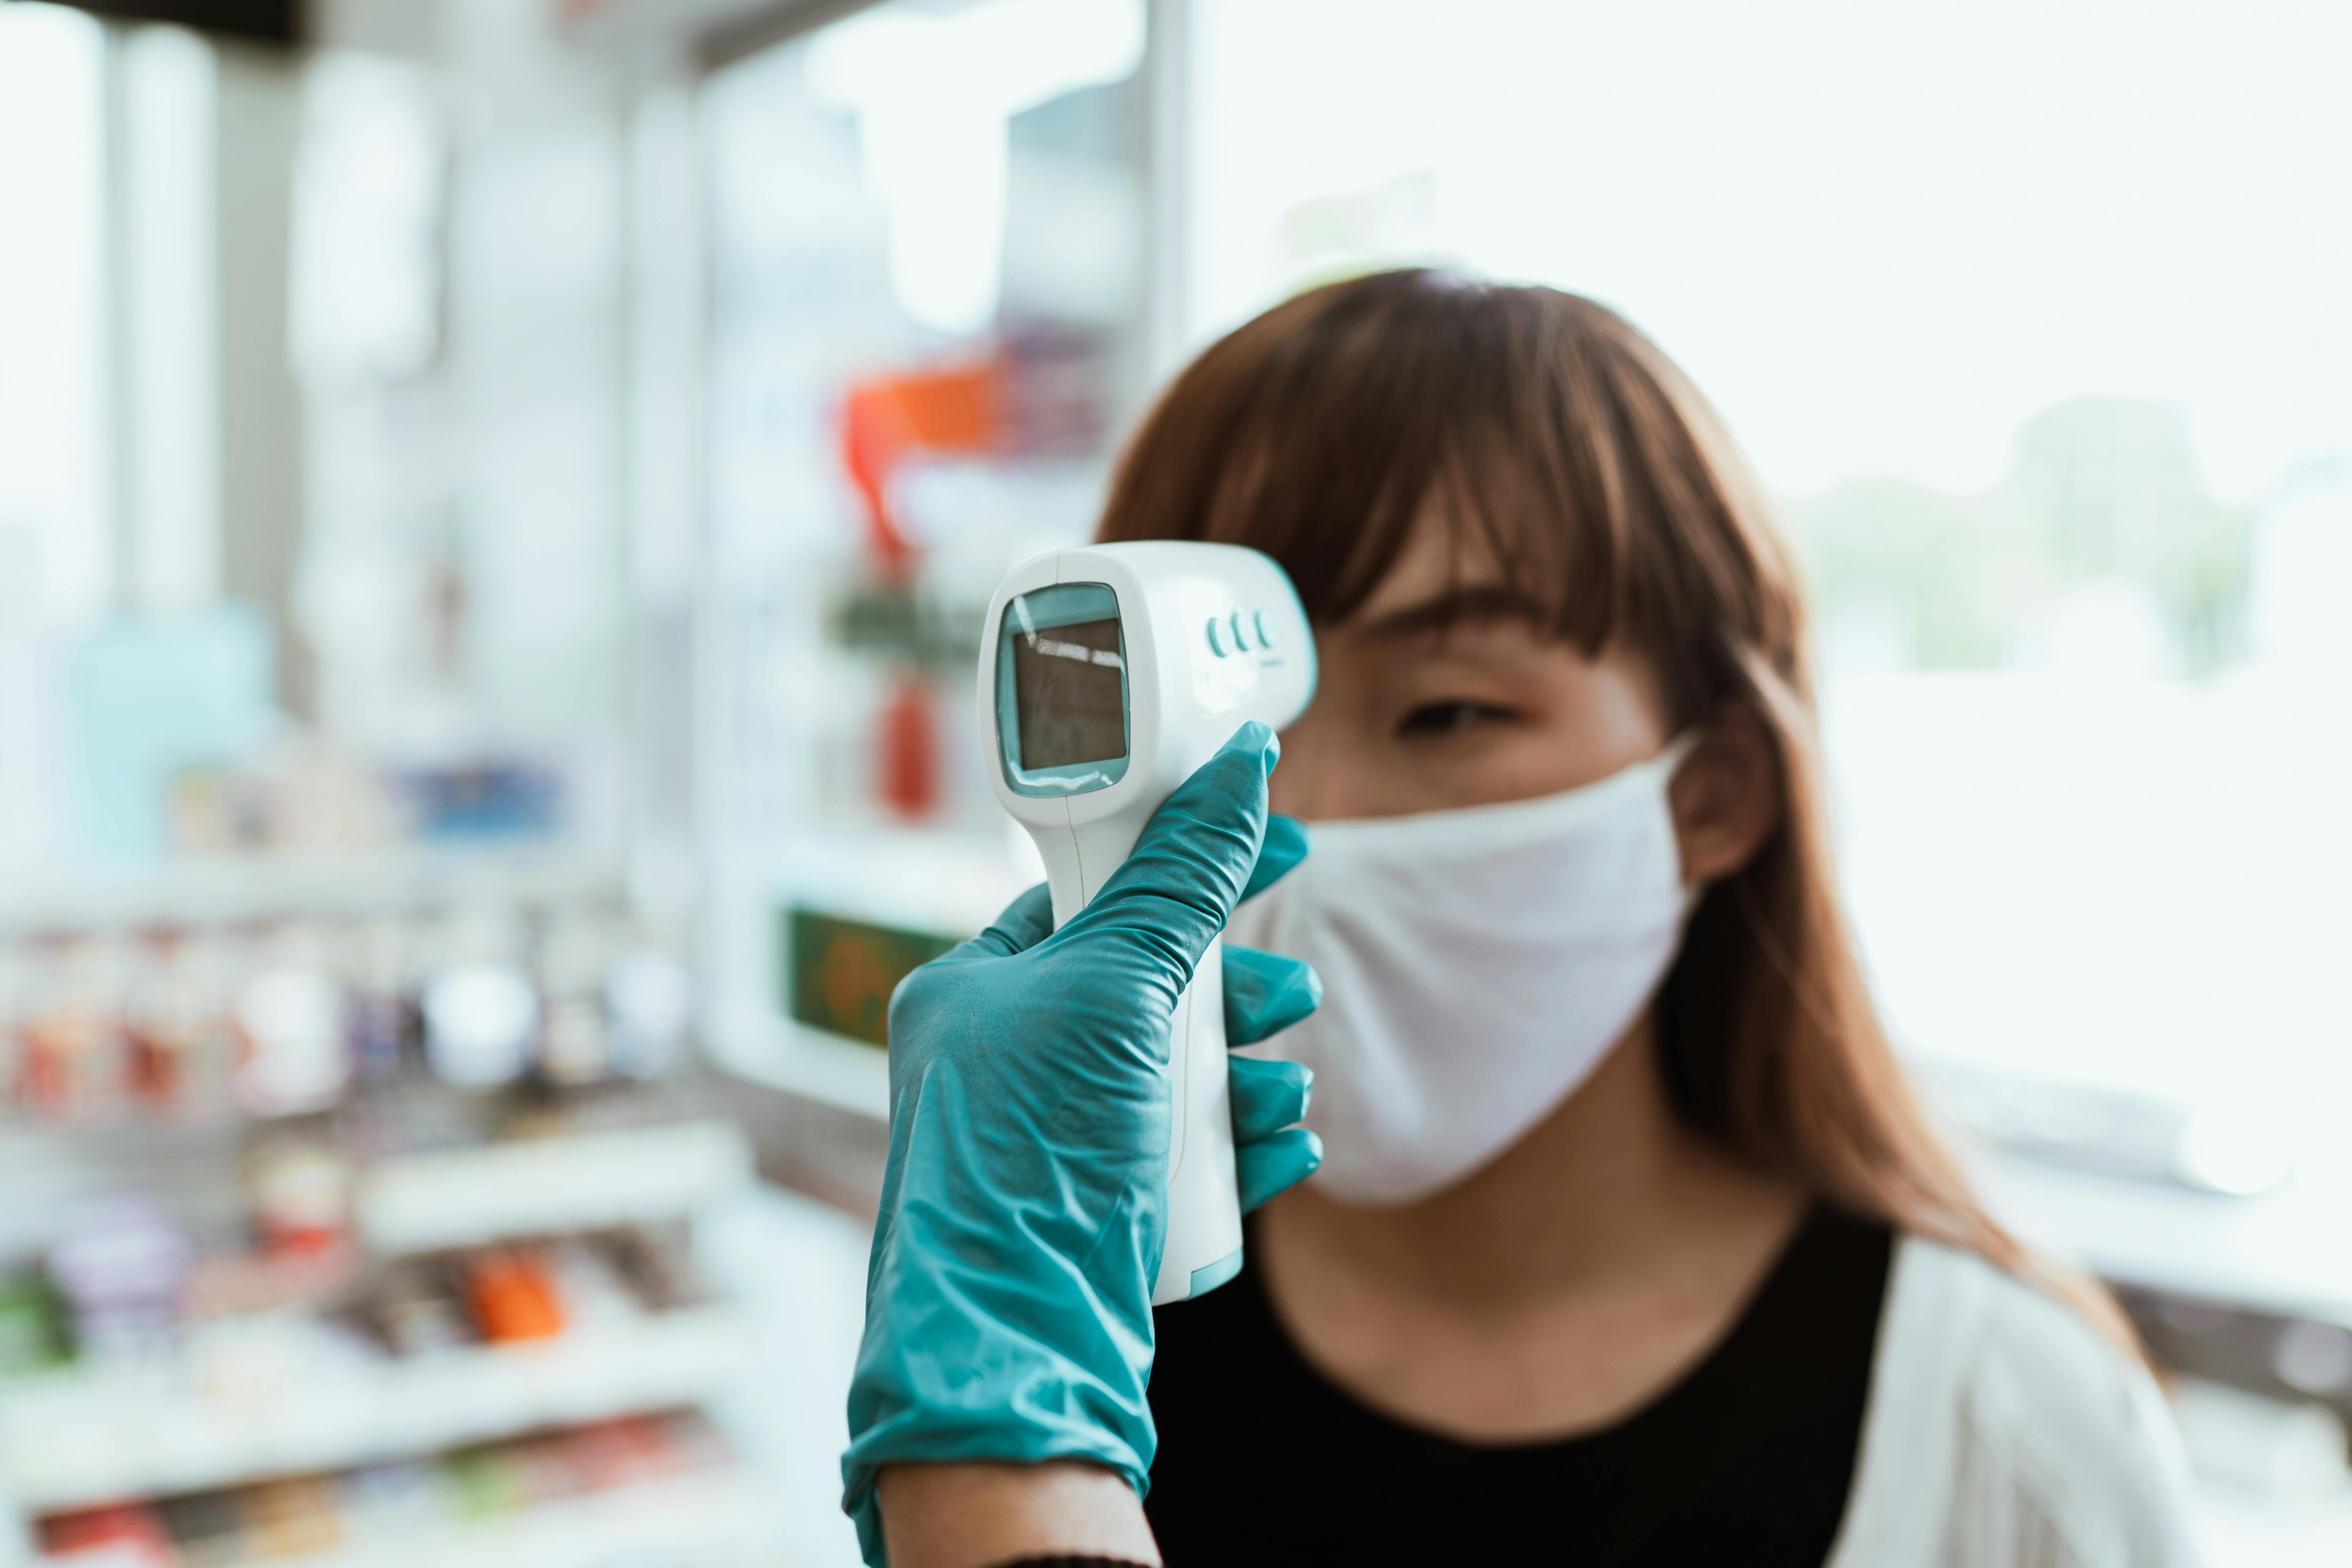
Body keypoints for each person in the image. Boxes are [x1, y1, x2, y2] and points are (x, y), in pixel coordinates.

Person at [841, 270, 2197, 1567]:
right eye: (1223, 727)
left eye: (1448, 712)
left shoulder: (2004, 1436)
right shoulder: (1091, 1332)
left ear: (1713, 790)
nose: (1290, 814)